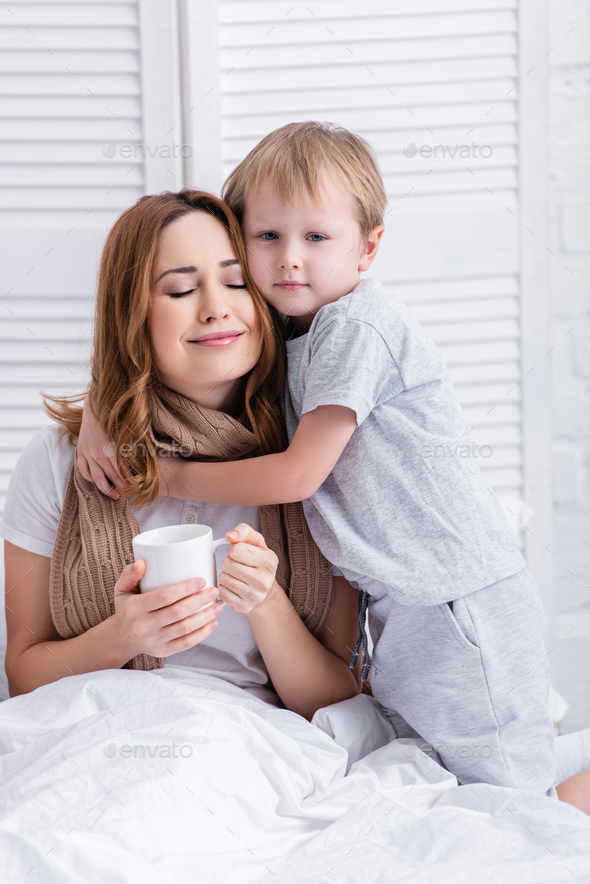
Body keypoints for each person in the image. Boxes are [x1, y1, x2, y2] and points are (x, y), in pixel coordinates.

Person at [75, 132, 590, 814]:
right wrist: (97, 410)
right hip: (403, 607)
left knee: (514, 801)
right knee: (449, 785)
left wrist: (162, 478)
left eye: (317, 236)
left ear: (367, 248)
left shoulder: (356, 326)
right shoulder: (296, 329)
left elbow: (296, 475)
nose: (289, 259)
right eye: (266, 236)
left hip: (459, 602)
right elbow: (158, 354)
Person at [0, 189, 366, 723]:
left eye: (238, 281)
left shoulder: (315, 456)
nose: (216, 306)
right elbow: (23, 675)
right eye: (180, 290)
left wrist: (266, 604)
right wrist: (122, 636)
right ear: (133, 314)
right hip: (99, 734)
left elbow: (339, 700)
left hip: (257, 743)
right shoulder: (62, 462)